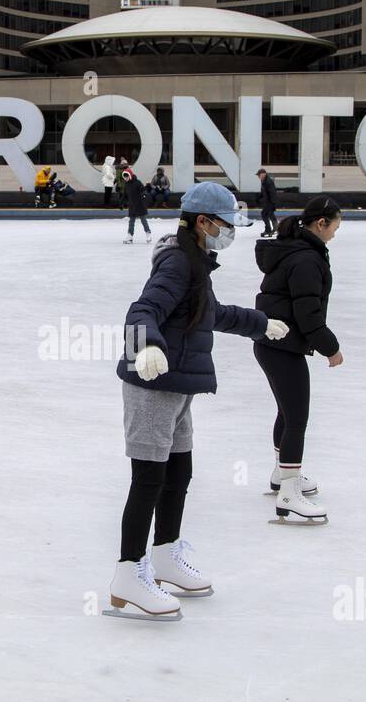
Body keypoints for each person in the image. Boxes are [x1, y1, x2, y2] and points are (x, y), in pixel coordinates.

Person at [107, 182, 290, 621]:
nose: (230, 234)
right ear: (203, 222)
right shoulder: (177, 262)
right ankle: (129, 574)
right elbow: (140, 311)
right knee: (149, 478)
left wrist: (260, 324)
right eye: (226, 226)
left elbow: (214, 314)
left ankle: (167, 553)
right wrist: (146, 346)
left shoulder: (196, 264)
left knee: (179, 472)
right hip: (152, 384)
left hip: (178, 387)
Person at [252, 196, 342, 524]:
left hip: (272, 342)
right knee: (297, 419)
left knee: (287, 412)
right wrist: (330, 348)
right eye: (334, 227)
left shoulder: (292, 248)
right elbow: (308, 312)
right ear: (321, 224)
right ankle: (289, 493)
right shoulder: (306, 259)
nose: (334, 234)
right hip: (282, 345)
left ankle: (282, 474)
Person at [122, 167, 151, 244]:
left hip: (140, 204)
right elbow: (125, 195)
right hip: (132, 206)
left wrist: (144, 194)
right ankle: (130, 236)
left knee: (143, 220)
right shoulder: (126, 185)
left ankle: (148, 234)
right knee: (131, 221)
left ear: (130, 175)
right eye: (124, 177)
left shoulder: (137, 182)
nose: (125, 178)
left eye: (126, 176)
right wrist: (121, 203)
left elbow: (142, 189)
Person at [257, 168, 278, 237]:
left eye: (259, 175)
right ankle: (274, 229)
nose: (258, 177)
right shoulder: (264, 181)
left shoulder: (268, 181)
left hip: (270, 202)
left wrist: (273, 203)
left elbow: (272, 193)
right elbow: (264, 192)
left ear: (263, 174)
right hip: (268, 202)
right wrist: (259, 197)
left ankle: (271, 229)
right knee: (269, 214)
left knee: (265, 214)